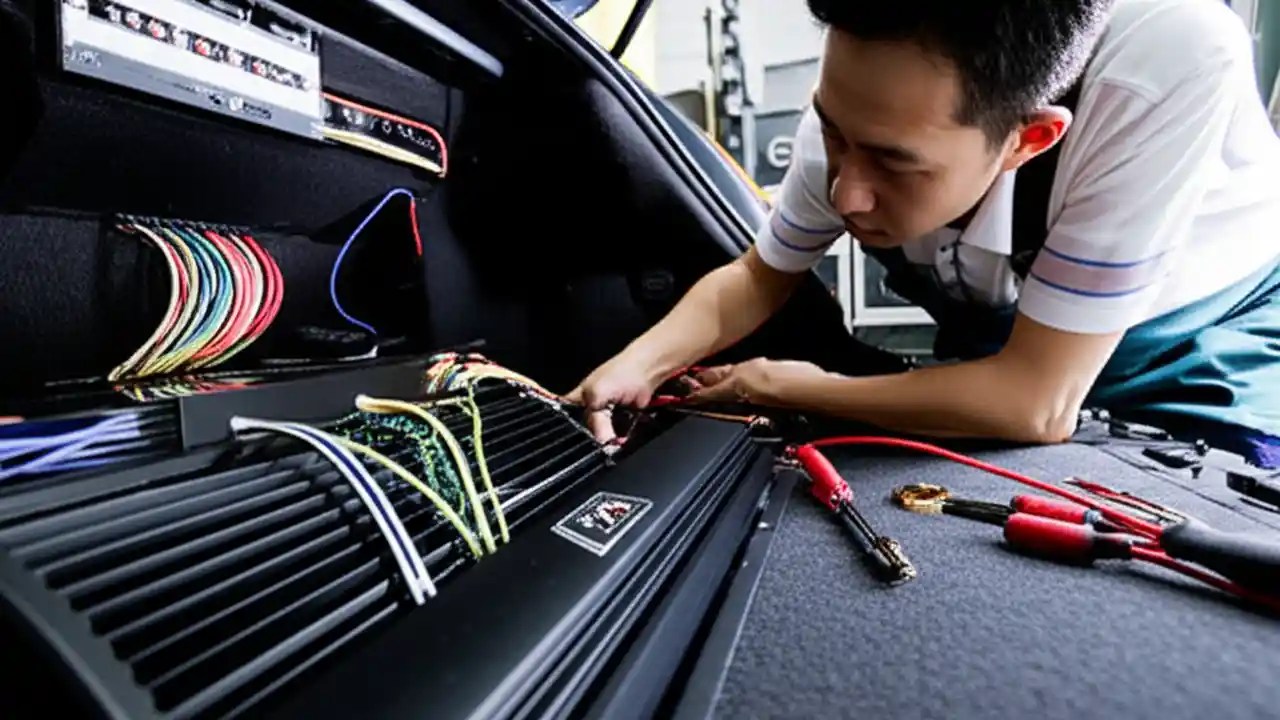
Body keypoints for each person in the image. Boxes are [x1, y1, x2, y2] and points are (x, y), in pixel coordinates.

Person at [567, 0, 1280, 466]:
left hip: (1187, 353)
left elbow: (1034, 403)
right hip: (1004, 351)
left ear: (1027, 140)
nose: (846, 191)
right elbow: (758, 276)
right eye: (833, 131)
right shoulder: (869, 114)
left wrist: (785, 386)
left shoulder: (1166, 66)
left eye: (893, 163)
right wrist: (643, 361)